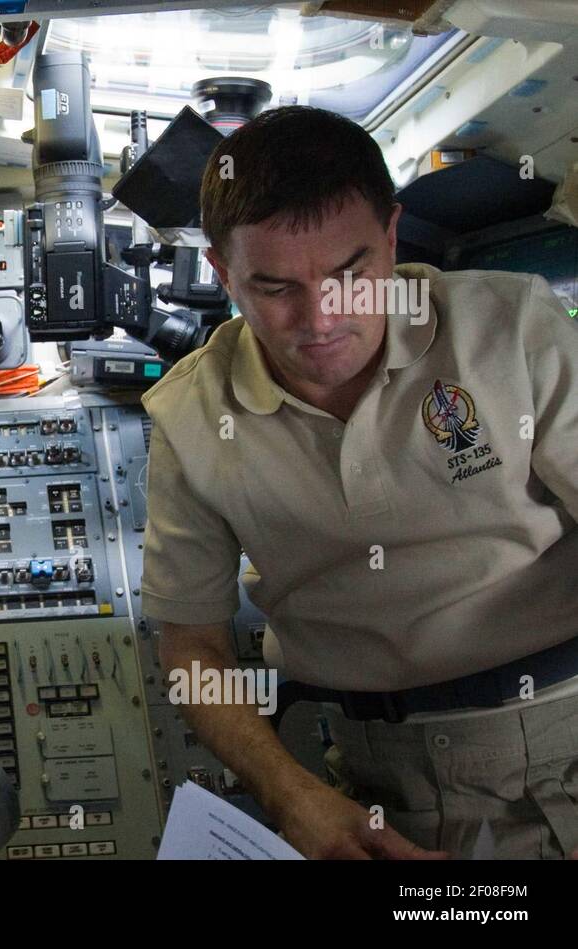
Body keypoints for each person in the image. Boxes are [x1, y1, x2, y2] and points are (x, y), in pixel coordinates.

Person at [141, 106, 578, 859]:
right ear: (221, 272)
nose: (321, 320)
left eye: (352, 275)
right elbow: (193, 646)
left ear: (393, 237)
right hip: (372, 781)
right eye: (274, 287)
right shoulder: (189, 419)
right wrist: (293, 796)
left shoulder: (510, 327)